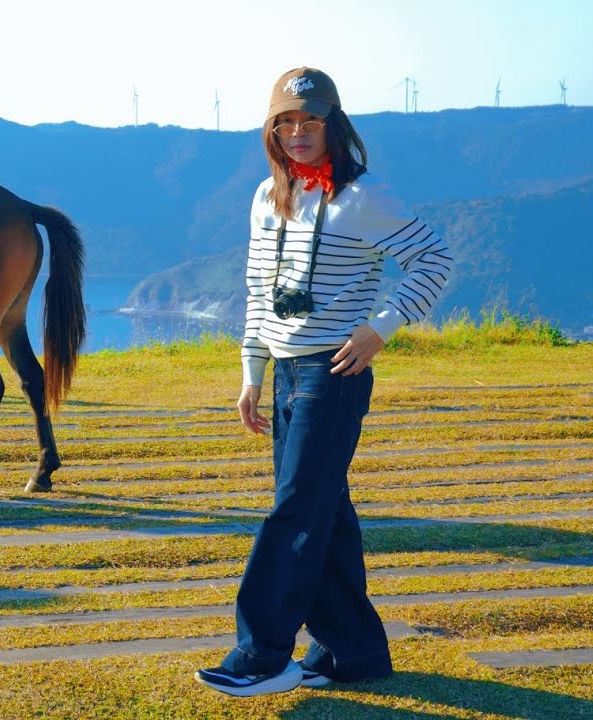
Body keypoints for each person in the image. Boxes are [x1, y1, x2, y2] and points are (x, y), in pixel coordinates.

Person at [195, 67, 453, 697]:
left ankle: (263, 656)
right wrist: (251, 372)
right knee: (324, 511)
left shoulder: (365, 196)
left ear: (332, 123)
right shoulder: (266, 195)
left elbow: (435, 258)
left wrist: (382, 328)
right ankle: (351, 653)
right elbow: (258, 290)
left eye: (309, 121)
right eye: (285, 122)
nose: (298, 133)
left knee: (296, 513)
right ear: (271, 130)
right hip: (284, 372)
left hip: (332, 372)